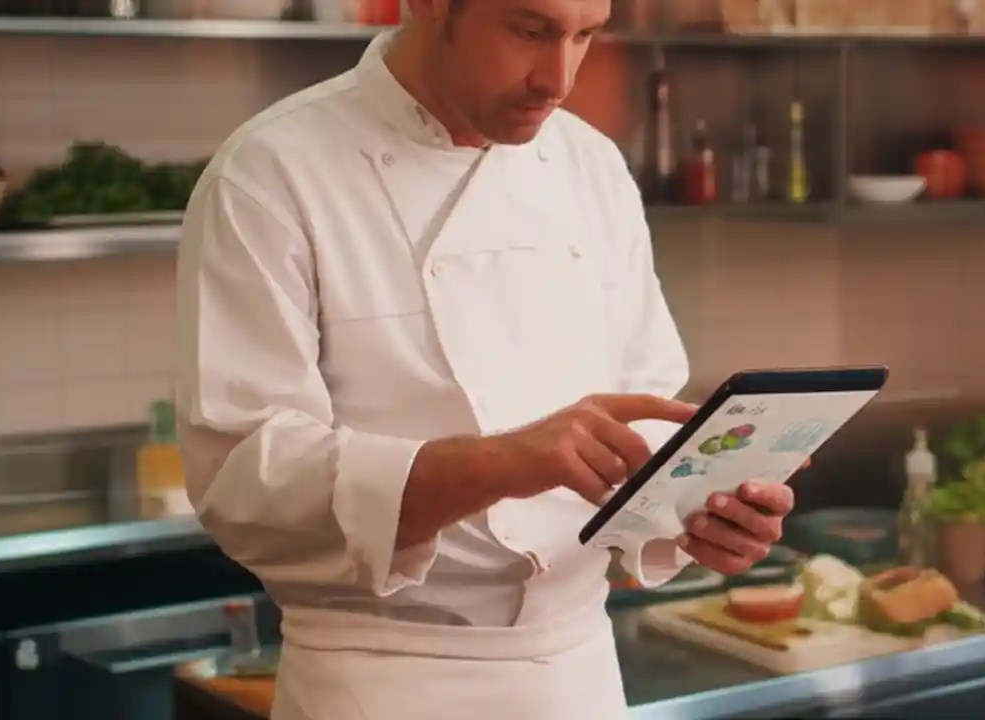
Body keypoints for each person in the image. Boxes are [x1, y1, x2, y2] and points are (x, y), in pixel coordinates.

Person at [174, 0, 796, 717]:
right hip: (380, 678)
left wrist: (703, 509)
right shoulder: (272, 173)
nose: (558, 78)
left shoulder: (591, 166)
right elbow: (247, 479)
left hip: (575, 680)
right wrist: (502, 462)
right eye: (530, 32)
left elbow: (648, 406)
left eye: (585, 35)